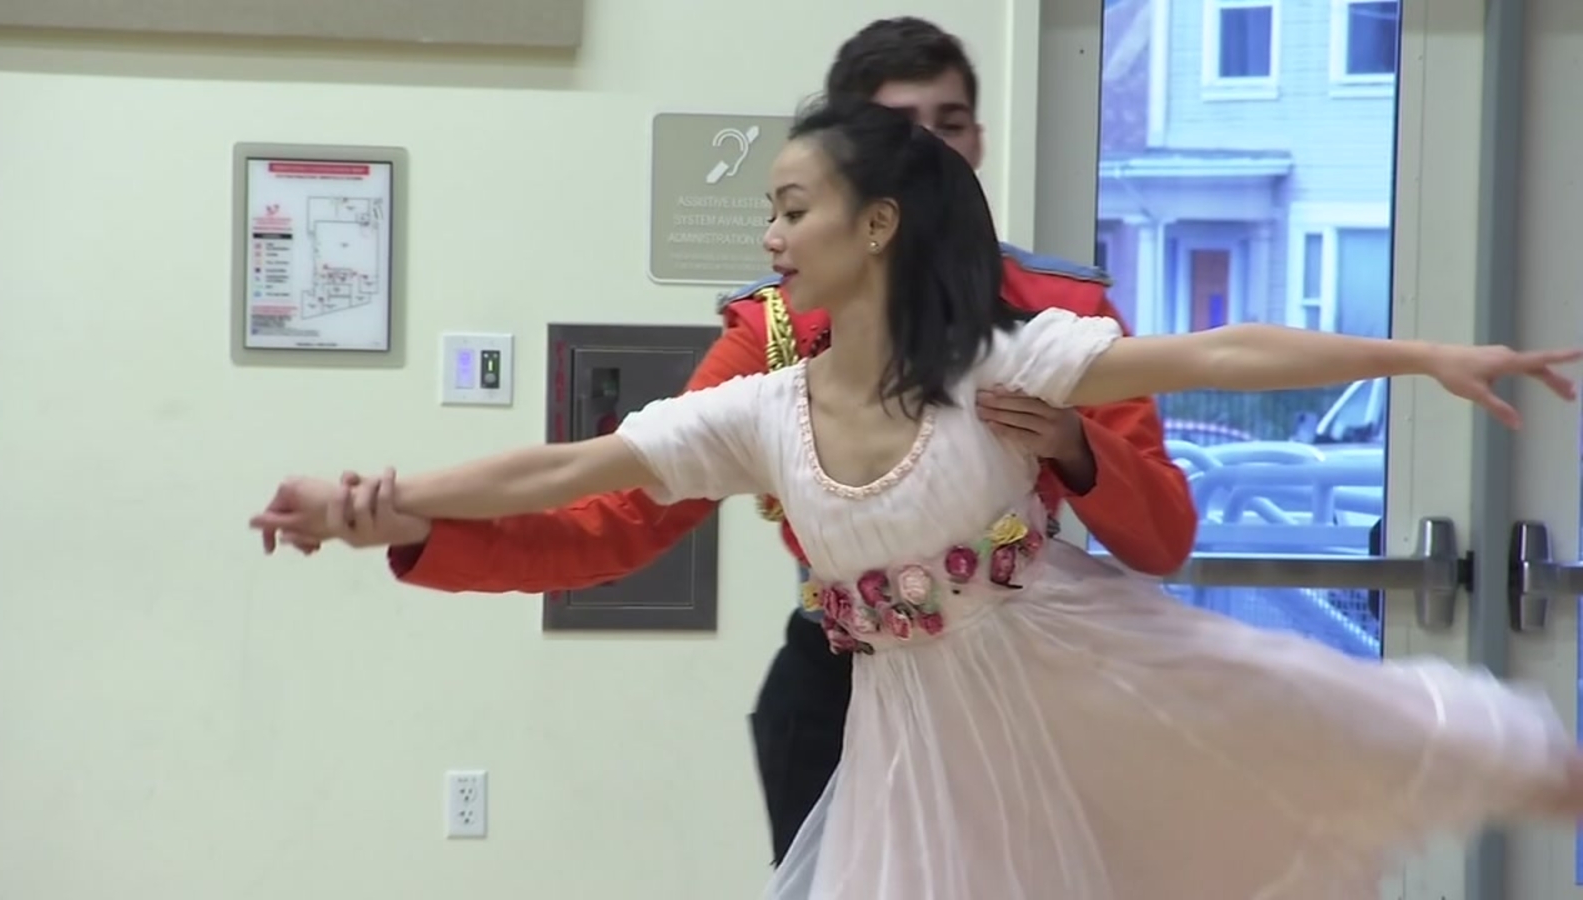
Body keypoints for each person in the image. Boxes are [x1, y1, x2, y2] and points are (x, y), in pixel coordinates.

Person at [251, 97, 1583, 898]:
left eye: (791, 208)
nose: (769, 239)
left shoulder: (1012, 360)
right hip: (912, 750)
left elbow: (1222, 352)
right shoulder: (760, 407)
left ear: (877, 224)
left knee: (1408, 744)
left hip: (1086, 685)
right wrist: (382, 496)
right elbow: (571, 467)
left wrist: (1425, 357)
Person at [254, 17, 1198, 866]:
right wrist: (412, 524)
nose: (925, 157)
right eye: (891, 135)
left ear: (977, 141)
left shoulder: (1061, 318)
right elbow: (610, 515)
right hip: (847, 687)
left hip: (1023, 684)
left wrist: (1077, 449)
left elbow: (1161, 538)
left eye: (946, 127)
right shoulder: (775, 340)